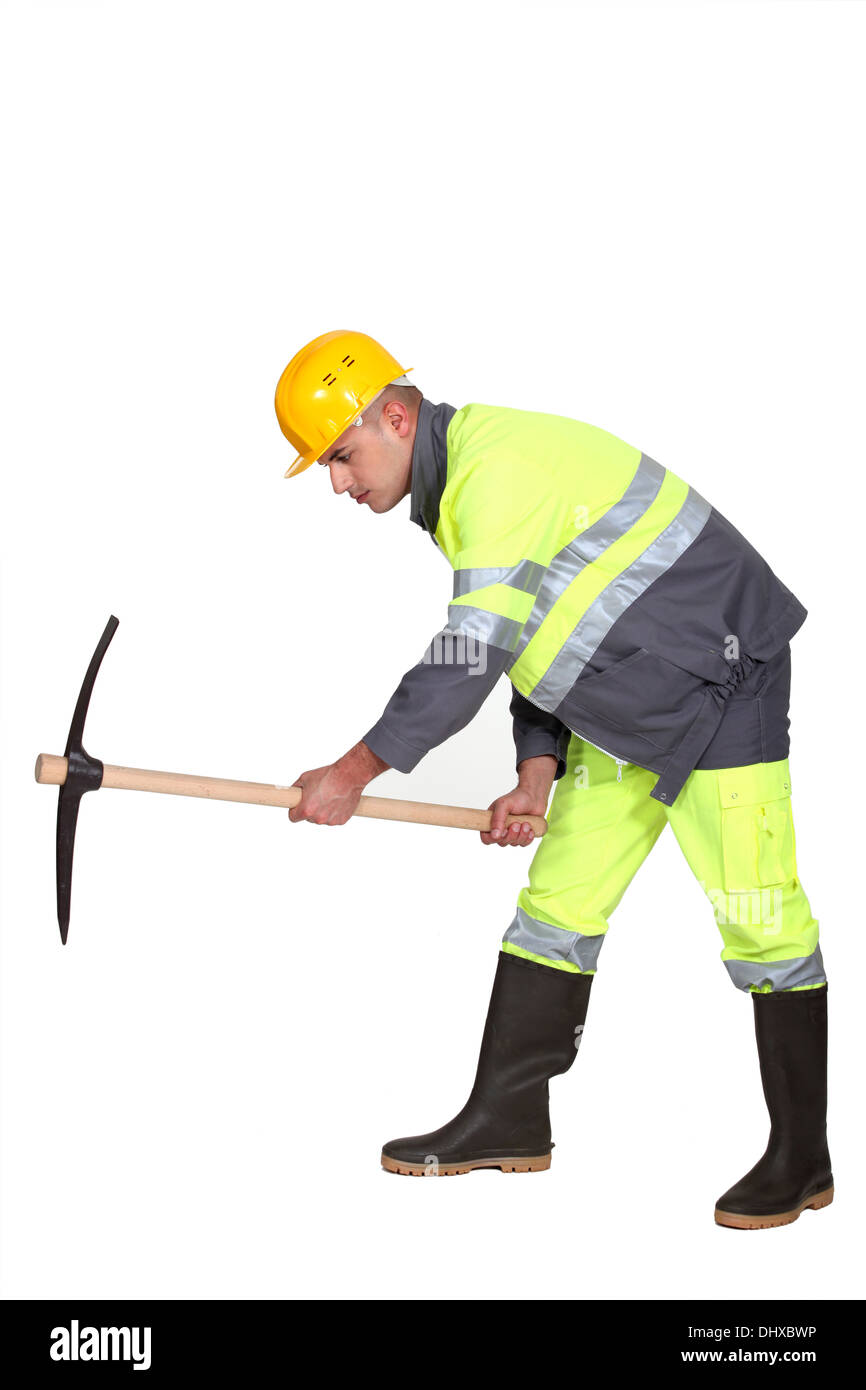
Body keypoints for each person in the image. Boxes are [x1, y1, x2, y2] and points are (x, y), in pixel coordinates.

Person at [274, 329, 832, 1229]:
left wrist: (354, 769)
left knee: (762, 919)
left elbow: (470, 653)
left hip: (726, 679)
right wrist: (536, 775)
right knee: (555, 911)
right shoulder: (455, 490)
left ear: (396, 414)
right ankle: (509, 1116)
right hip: (630, 707)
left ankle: (803, 1157)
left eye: (340, 456)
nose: (338, 484)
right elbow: (547, 636)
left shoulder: (496, 471)